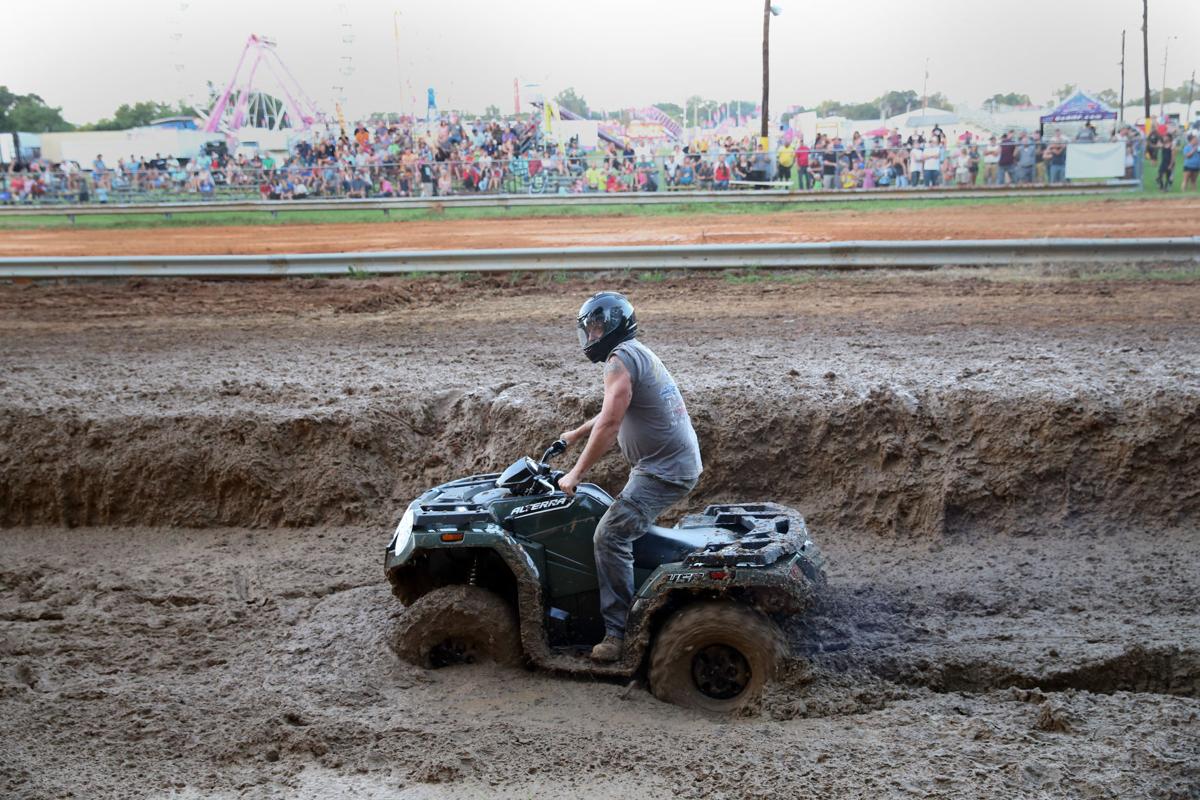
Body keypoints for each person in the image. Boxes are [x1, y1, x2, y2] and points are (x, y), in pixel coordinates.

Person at [558, 292, 703, 663]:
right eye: (588, 330)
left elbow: (610, 423)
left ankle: (619, 634)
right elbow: (615, 407)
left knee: (610, 535)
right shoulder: (634, 353)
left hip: (663, 472)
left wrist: (575, 473)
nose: (591, 337)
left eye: (595, 329)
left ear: (612, 327)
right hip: (664, 465)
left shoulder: (618, 360)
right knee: (618, 522)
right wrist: (576, 434)